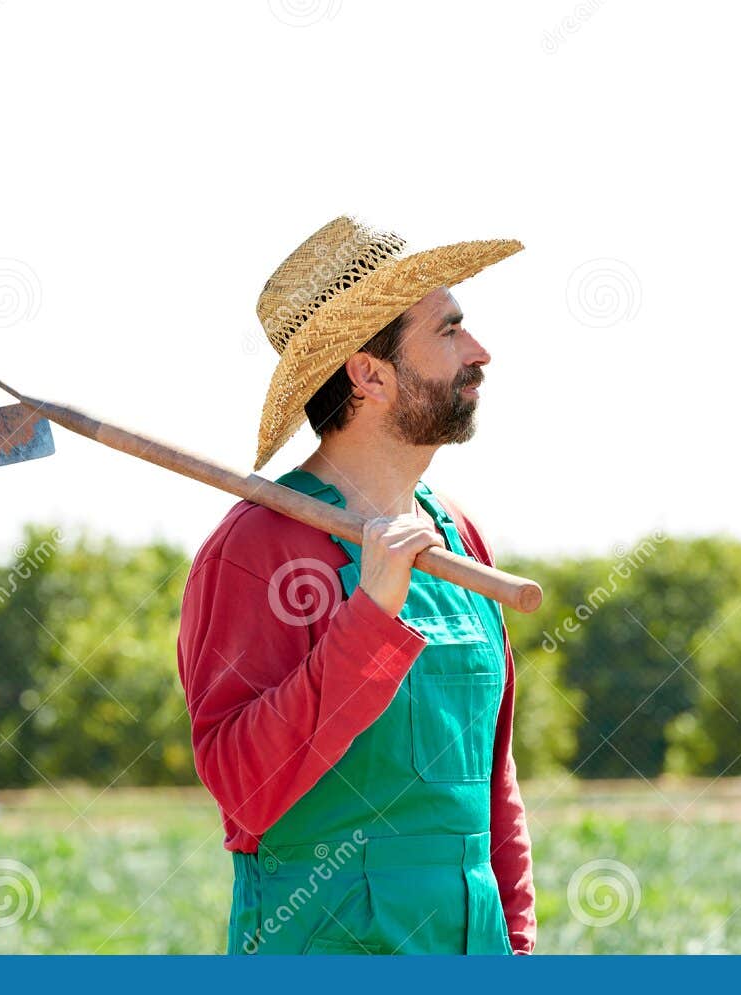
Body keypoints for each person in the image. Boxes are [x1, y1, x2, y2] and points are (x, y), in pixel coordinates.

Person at [176, 214, 535, 955]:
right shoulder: (257, 549)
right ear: (368, 374)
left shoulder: (459, 538)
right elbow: (244, 790)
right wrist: (369, 616)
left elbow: (493, 788)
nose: (481, 351)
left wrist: (519, 947)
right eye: (449, 330)